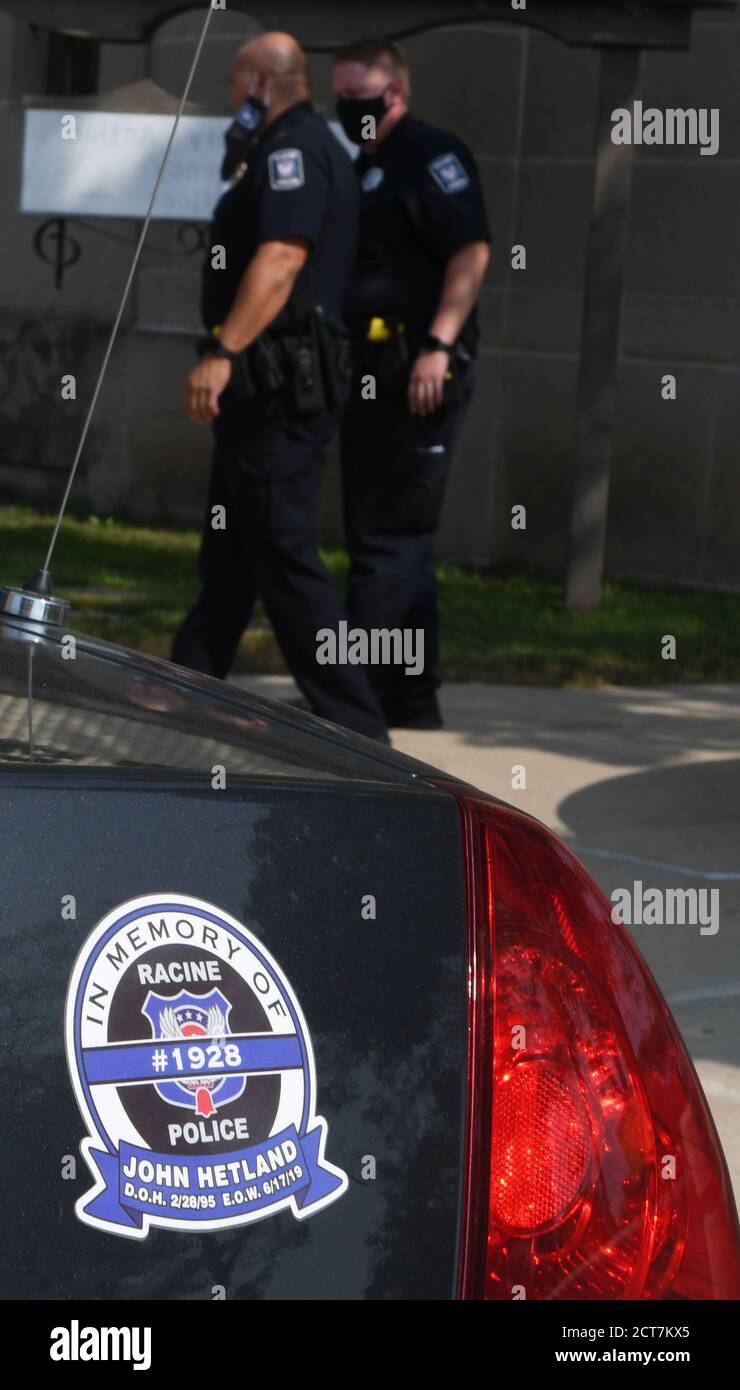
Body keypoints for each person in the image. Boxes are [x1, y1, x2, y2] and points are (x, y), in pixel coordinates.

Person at [172, 32, 388, 742]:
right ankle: (186, 688)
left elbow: (281, 257)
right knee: (232, 553)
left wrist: (222, 350)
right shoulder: (277, 149)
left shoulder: (293, 150)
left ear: (262, 79)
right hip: (263, 394)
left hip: (277, 389)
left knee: (285, 554)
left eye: (235, 84)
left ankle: (357, 726)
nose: (230, 99)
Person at [333, 39, 491, 729]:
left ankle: (351, 703)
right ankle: (410, 696)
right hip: (374, 373)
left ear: (394, 94)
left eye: (358, 97)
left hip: (419, 372)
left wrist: (438, 345)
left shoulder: (432, 155)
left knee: (385, 543)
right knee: (402, 543)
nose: (347, 109)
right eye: (338, 97)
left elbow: (471, 248)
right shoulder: (368, 163)